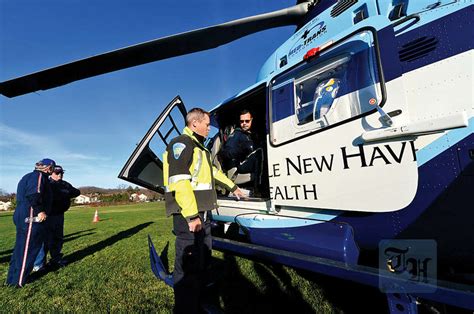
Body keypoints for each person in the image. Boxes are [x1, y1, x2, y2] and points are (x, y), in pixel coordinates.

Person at [163, 108, 245, 313]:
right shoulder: (181, 143)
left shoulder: (201, 148)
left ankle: (198, 301)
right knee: (188, 267)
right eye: (207, 124)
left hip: (204, 214)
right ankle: (185, 308)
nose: (209, 128)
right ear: (194, 124)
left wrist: (233, 187)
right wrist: (192, 216)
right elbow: (180, 182)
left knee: (203, 260)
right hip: (190, 216)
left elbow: (213, 172)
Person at [6, 158, 55, 287]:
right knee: (28, 248)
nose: (52, 171)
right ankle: (20, 280)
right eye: (52, 168)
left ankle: (12, 279)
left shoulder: (27, 176)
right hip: (31, 215)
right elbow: (34, 194)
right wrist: (40, 211)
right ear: (48, 167)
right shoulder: (38, 176)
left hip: (23, 214)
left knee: (20, 248)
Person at [33, 165, 80, 270]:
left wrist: (65, 192)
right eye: (57, 173)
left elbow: (77, 192)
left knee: (58, 238)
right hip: (47, 216)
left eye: (61, 173)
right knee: (44, 240)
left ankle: (56, 259)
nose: (60, 175)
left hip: (59, 215)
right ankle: (39, 264)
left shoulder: (64, 184)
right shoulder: (46, 183)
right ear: (51, 173)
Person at [218, 109, 263, 195]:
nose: (244, 123)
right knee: (259, 153)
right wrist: (241, 149)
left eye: (247, 121)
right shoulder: (236, 135)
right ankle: (259, 188)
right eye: (242, 121)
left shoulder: (252, 135)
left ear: (251, 120)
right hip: (240, 165)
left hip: (249, 162)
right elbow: (225, 153)